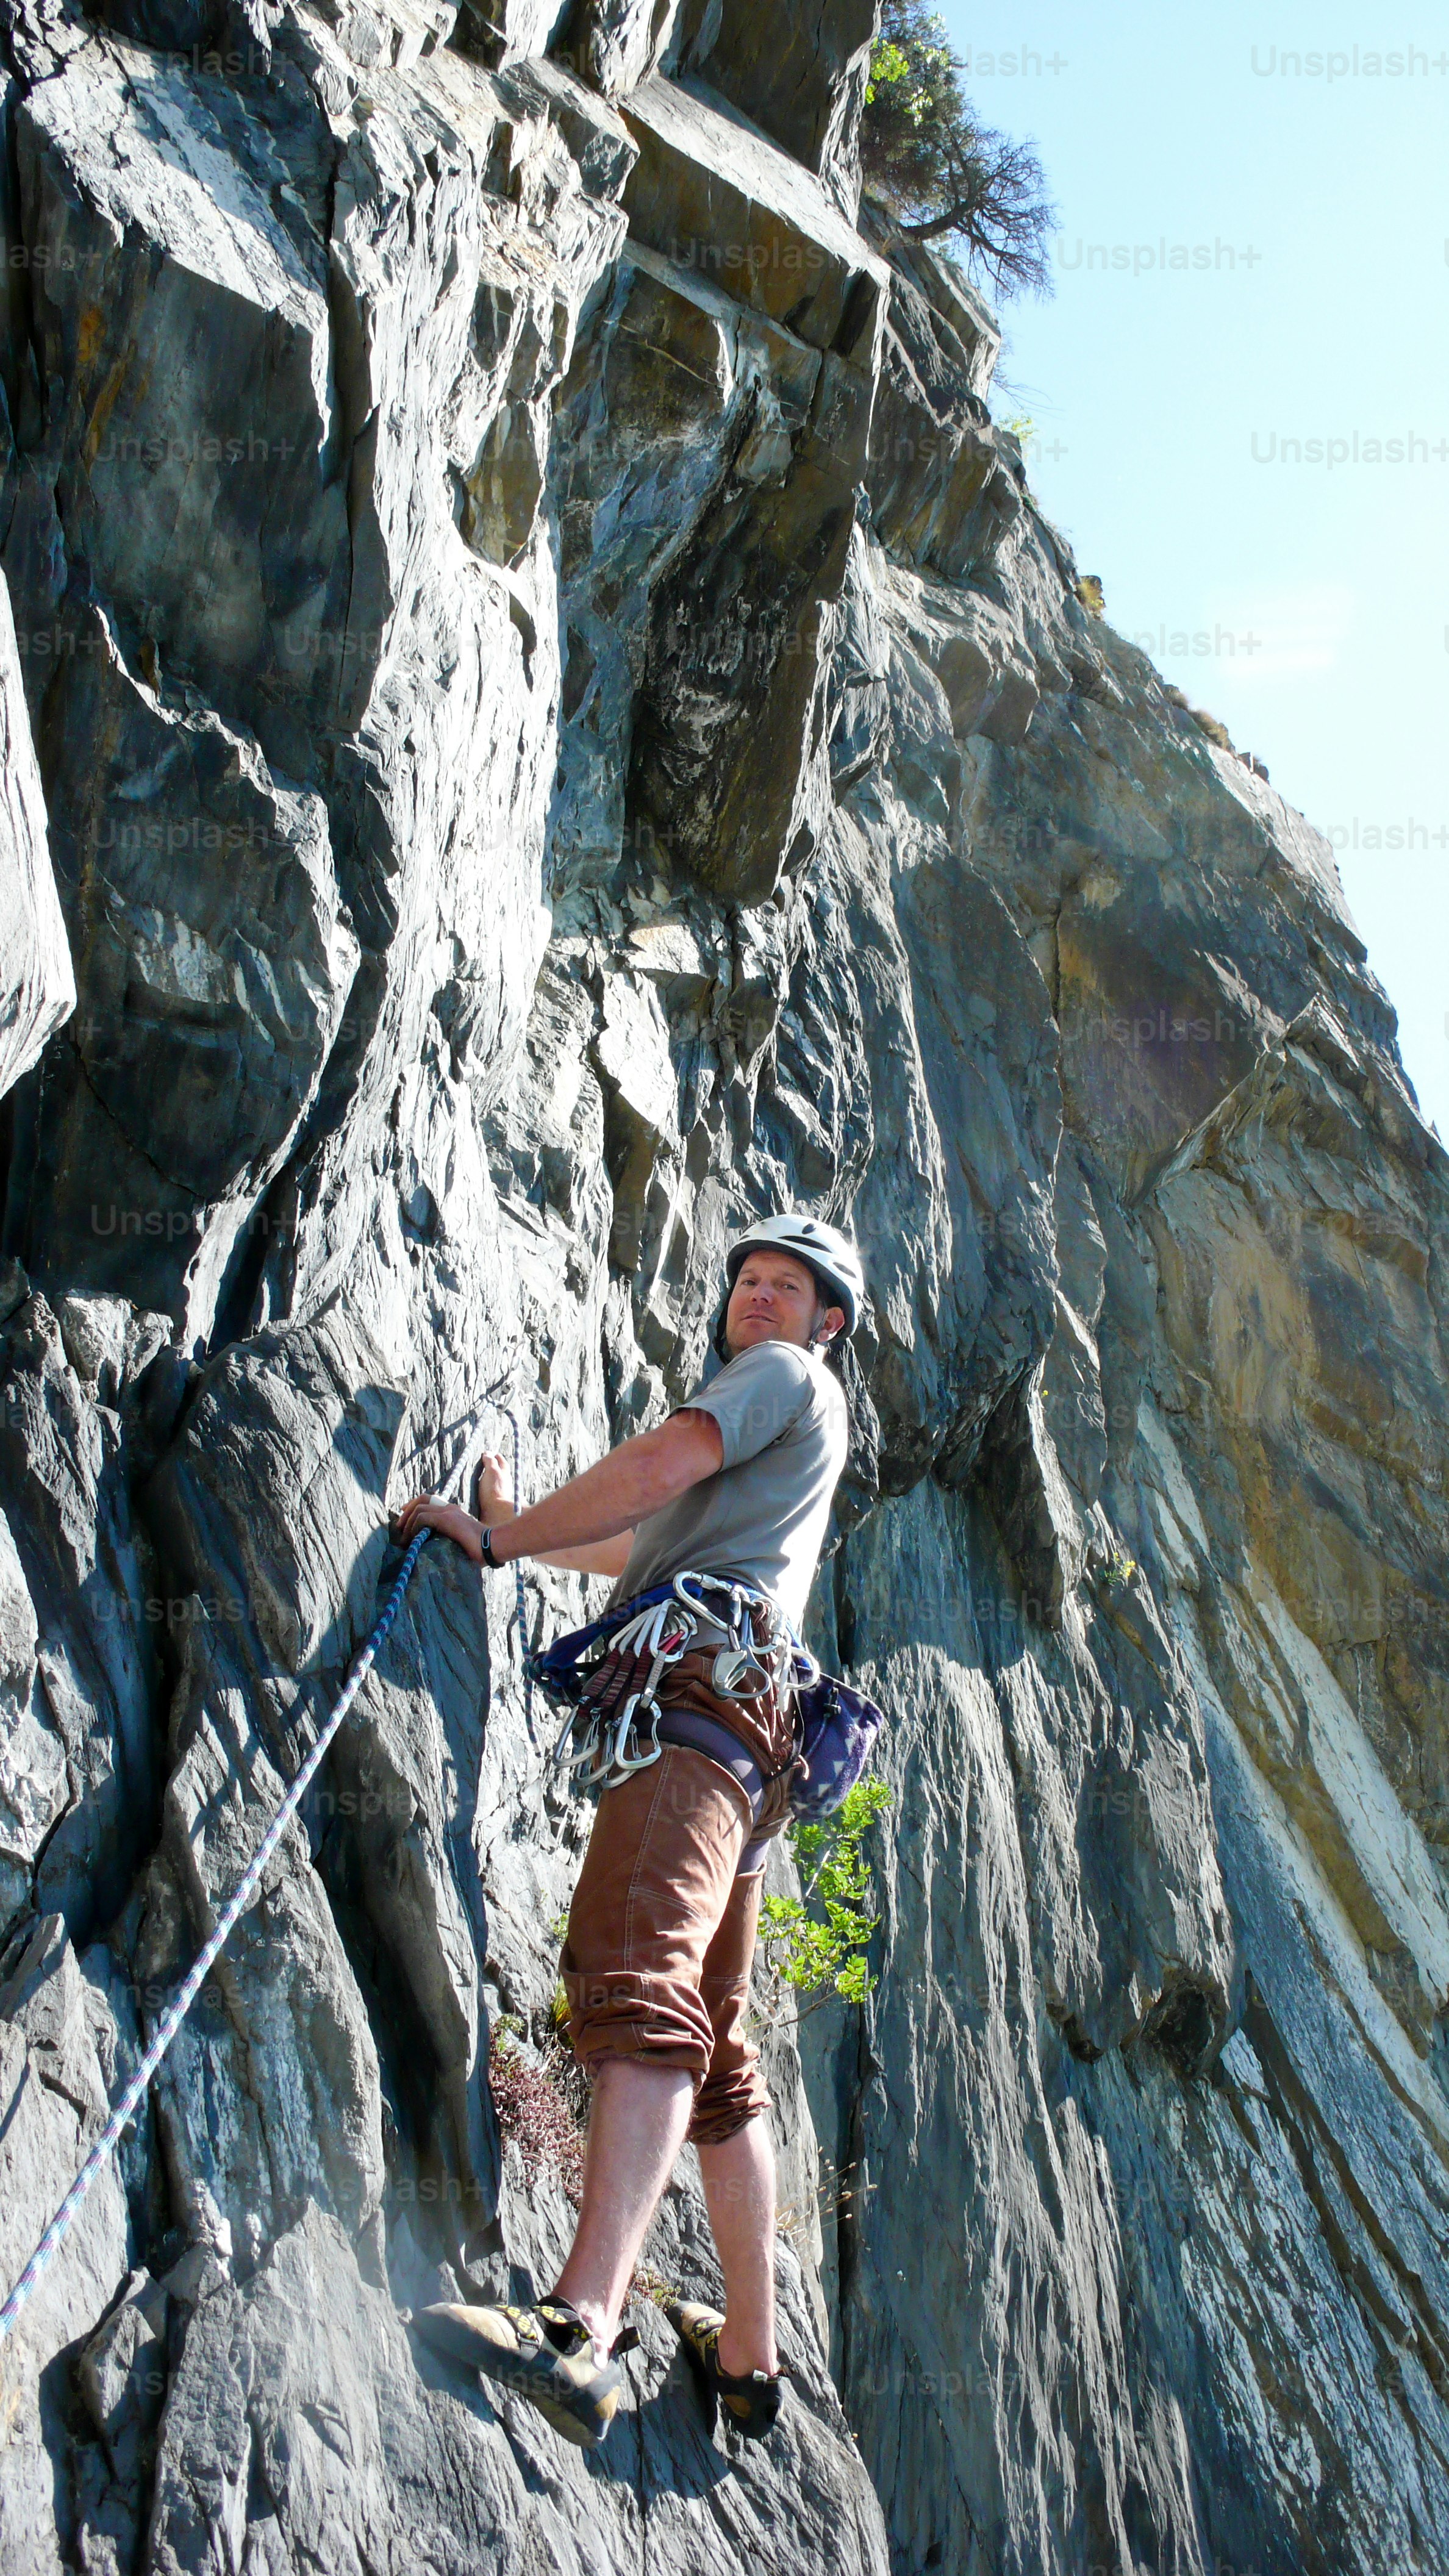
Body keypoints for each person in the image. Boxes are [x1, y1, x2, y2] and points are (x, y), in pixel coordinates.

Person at [393, 1213, 864, 2449]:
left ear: (828, 1324)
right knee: (712, 2040)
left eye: (788, 1285)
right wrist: (525, 1521)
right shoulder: (793, 1436)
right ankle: (752, 2365)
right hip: (751, 1754)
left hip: (696, 1723)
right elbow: (641, 1538)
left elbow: (658, 1466)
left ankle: (582, 2328)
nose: (758, 1294)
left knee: (634, 1977)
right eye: (747, 1276)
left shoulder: (778, 1380)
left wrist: (492, 1540)